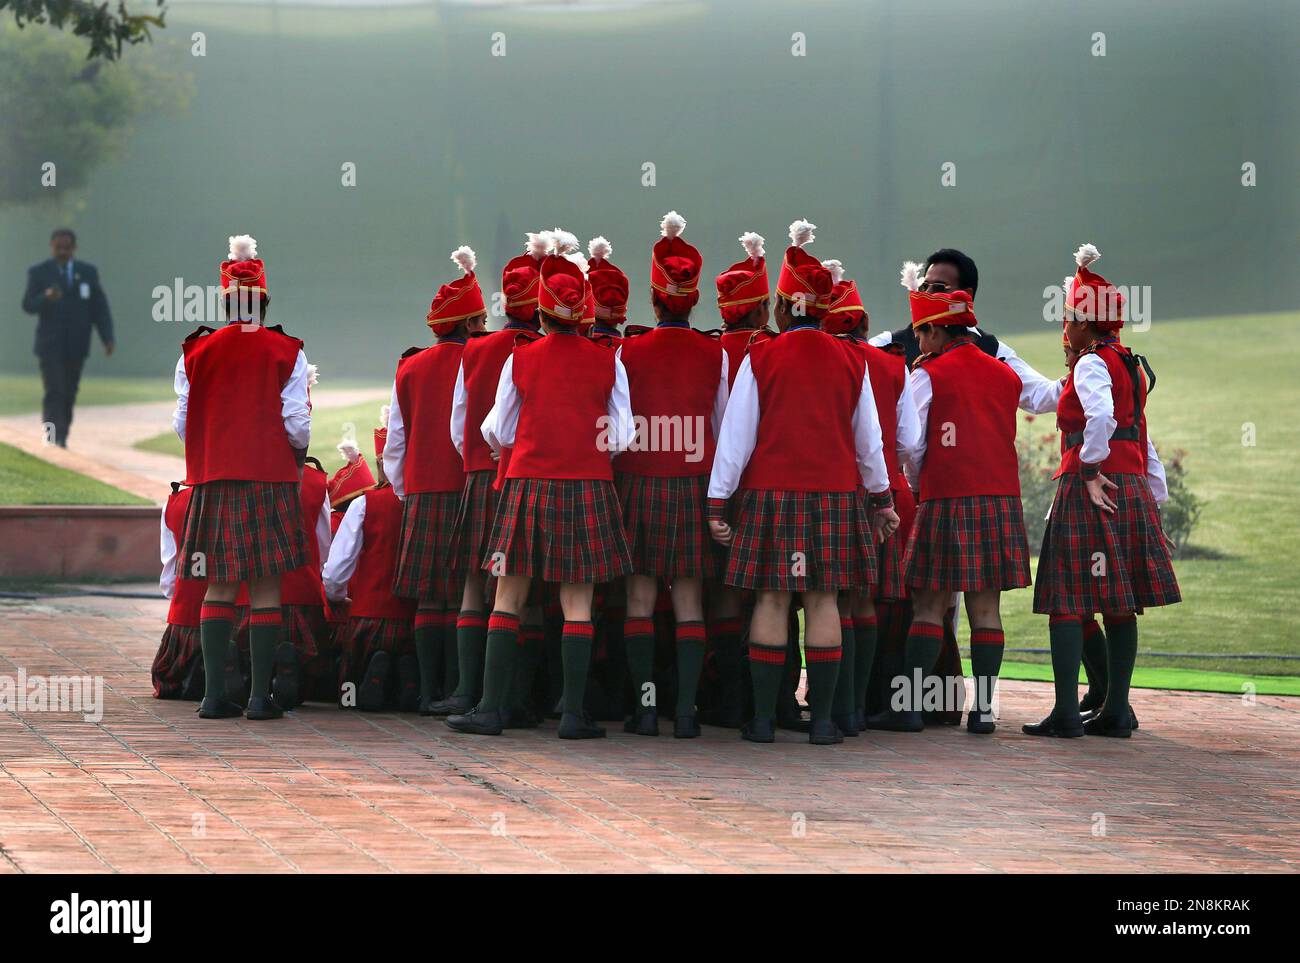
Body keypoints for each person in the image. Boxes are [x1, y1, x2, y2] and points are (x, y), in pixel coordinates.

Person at [708, 220, 898, 745]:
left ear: (785, 306)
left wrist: (717, 502)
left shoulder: (760, 356)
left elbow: (735, 439)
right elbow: (869, 443)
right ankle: (824, 723)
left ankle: (765, 720)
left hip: (771, 494)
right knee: (824, 601)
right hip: (837, 496)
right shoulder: (852, 359)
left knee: (771, 599)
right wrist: (881, 500)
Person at [446, 250, 635, 739]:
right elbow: (621, 436)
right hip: (589, 484)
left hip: (527, 482)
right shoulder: (609, 360)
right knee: (578, 602)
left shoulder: (520, 357)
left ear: (544, 313)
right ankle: (572, 714)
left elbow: (497, 430)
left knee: (509, 594)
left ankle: (489, 709)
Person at [1024, 245, 1180, 738]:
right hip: (1131, 484)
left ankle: (1067, 713)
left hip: (1091, 485)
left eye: (1069, 317)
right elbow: (1143, 440)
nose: (1064, 327)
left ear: (1087, 324)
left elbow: (1104, 420)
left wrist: (1089, 470)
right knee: (1118, 601)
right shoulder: (1129, 363)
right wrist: (1155, 503)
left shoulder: (1091, 363)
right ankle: (1115, 709)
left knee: (1067, 600)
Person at [881, 285, 1034, 734]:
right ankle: (984, 711)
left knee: (929, 605)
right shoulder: (1006, 375)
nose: (918, 342)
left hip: (946, 497)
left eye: (921, 333)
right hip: (1000, 498)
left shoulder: (926, 374)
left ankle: (907, 708)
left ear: (935, 331)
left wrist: (913, 480)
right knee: (986, 610)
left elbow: (910, 443)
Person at [172, 235, 312, 721]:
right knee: (266, 586)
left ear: (226, 300)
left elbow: (181, 421)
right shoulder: (287, 349)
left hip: (213, 477)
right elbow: (297, 423)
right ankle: (258, 698)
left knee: (218, 585)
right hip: (269, 477)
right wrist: (296, 455)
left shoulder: (195, 349)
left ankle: (214, 696)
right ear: (265, 300)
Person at [615, 213, 729, 738]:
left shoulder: (627, 349)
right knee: (688, 598)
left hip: (639, 477)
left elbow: (613, 424)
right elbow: (722, 423)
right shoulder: (717, 352)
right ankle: (686, 712)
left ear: (655, 299)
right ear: (695, 300)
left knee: (639, 598)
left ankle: (643, 710)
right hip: (693, 481)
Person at [434, 234, 548, 717]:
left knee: (471, 586)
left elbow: (461, 424)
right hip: (533, 479)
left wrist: (479, 463)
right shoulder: (547, 347)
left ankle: (467, 690)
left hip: (482, 474)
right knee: (532, 589)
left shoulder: (475, 350)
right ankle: (524, 698)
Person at [820, 260, 922, 734]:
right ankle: (856, 709)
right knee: (863, 603)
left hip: (833, 489)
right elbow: (907, 444)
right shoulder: (893, 364)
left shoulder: (820, 360)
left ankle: (831, 707)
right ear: (863, 322)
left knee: (831, 603)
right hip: (885, 492)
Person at [385, 247, 482, 713]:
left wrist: (406, 490)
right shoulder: (485, 359)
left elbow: (395, 442)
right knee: (467, 591)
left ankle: (427, 692)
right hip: (469, 487)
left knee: (429, 595)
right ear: (468, 324)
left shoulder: (409, 366)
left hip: (423, 489)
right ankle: (460, 690)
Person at [324, 415, 419, 710]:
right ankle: (404, 677)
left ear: (382, 464)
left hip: (368, 617)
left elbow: (337, 571)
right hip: (413, 618)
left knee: (348, 687)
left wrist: (338, 597)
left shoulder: (365, 504)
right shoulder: (426, 504)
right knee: (414, 652)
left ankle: (367, 677)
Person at [21, 228, 115, 447]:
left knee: (70, 390)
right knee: (54, 388)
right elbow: (27, 304)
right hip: (49, 344)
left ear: (74, 248)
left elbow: (99, 308)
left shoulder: (87, 273)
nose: (62, 252)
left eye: (66, 247)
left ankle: (63, 432)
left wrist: (107, 337)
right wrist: (45, 298)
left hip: (77, 344)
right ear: (51, 246)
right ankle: (55, 434)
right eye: (58, 247)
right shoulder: (39, 272)